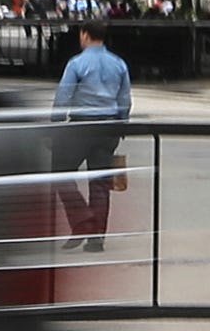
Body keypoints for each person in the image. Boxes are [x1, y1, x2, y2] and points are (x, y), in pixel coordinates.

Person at [52, 22, 134, 252]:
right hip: (108, 127)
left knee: (60, 172)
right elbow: (125, 99)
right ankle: (96, 238)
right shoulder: (118, 64)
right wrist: (122, 124)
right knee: (99, 183)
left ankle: (82, 219)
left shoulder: (77, 63)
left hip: (81, 127)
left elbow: (64, 95)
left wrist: (56, 122)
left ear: (85, 35)